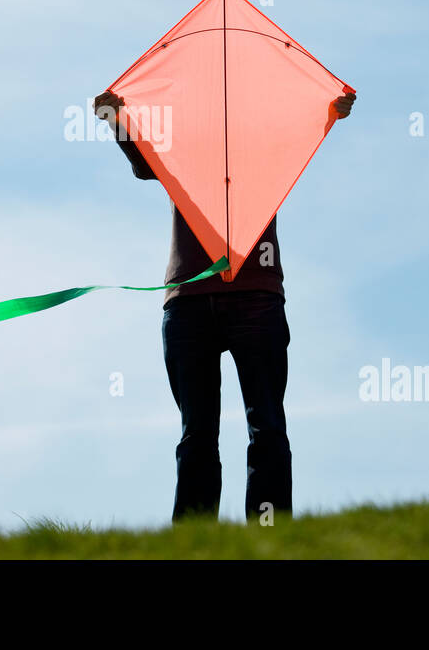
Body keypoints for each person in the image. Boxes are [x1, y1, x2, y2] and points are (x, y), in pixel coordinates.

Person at [93, 88, 356, 522]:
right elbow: (144, 164)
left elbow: (303, 134)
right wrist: (115, 118)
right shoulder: (180, 148)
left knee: (267, 424)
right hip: (189, 303)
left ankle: (270, 533)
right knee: (196, 433)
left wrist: (330, 111)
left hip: (255, 296)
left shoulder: (265, 148)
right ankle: (196, 541)